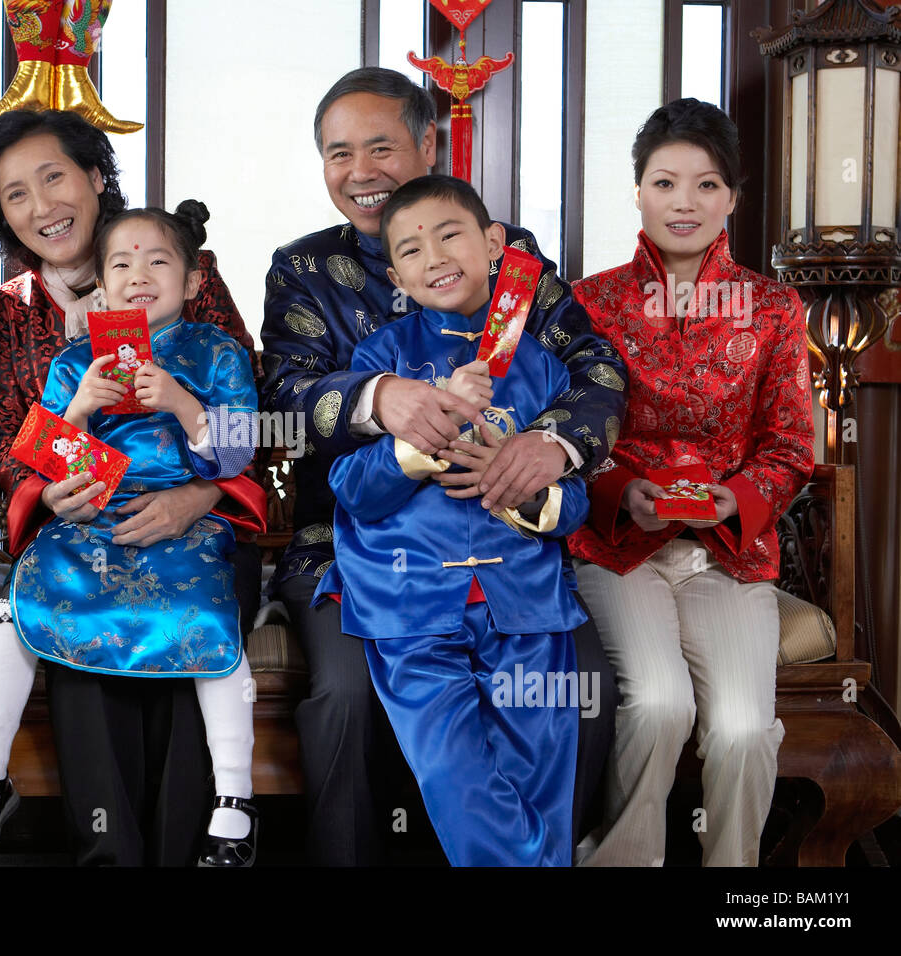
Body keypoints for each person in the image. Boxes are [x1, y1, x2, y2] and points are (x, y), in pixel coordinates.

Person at [260, 66, 624, 864]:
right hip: (352, 543)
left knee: (585, 687)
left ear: (429, 144)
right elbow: (282, 400)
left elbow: (594, 367)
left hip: (513, 549)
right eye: (338, 153)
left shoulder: (514, 260)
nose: (360, 170)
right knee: (346, 693)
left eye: (380, 147)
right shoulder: (304, 270)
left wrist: (547, 449)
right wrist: (380, 398)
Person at [0, 109, 265, 866]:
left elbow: (248, 429)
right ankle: (86, 838)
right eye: (16, 194)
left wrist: (199, 492)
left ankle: (217, 817)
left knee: (194, 614)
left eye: (53, 177)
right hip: (86, 520)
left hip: (200, 515)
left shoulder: (196, 302)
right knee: (66, 620)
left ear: (95, 178)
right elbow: (13, 447)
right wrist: (49, 490)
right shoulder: (14, 314)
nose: (41, 205)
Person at [568, 98, 815, 866]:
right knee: (658, 703)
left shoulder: (773, 309)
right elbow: (565, 431)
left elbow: (790, 445)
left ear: (732, 196)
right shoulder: (589, 303)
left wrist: (736, 499)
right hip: (618, 549)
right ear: (638, 191)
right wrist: (619, 492)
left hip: (728, 552)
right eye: (665, 182)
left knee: (742, 728)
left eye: (707, 184)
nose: (685, 202)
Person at [318, 174, 588, 865]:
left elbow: (577, 503)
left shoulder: (542, 367)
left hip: (525, 603)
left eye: (450, 235)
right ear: (395, 276)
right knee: (452, 775)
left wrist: (522, 484)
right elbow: (352, 487)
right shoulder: (383, 361)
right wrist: (424, 436)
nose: (434, 257)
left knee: (539, 781)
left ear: (494, 243)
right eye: (411, 249)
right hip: (408, 603)